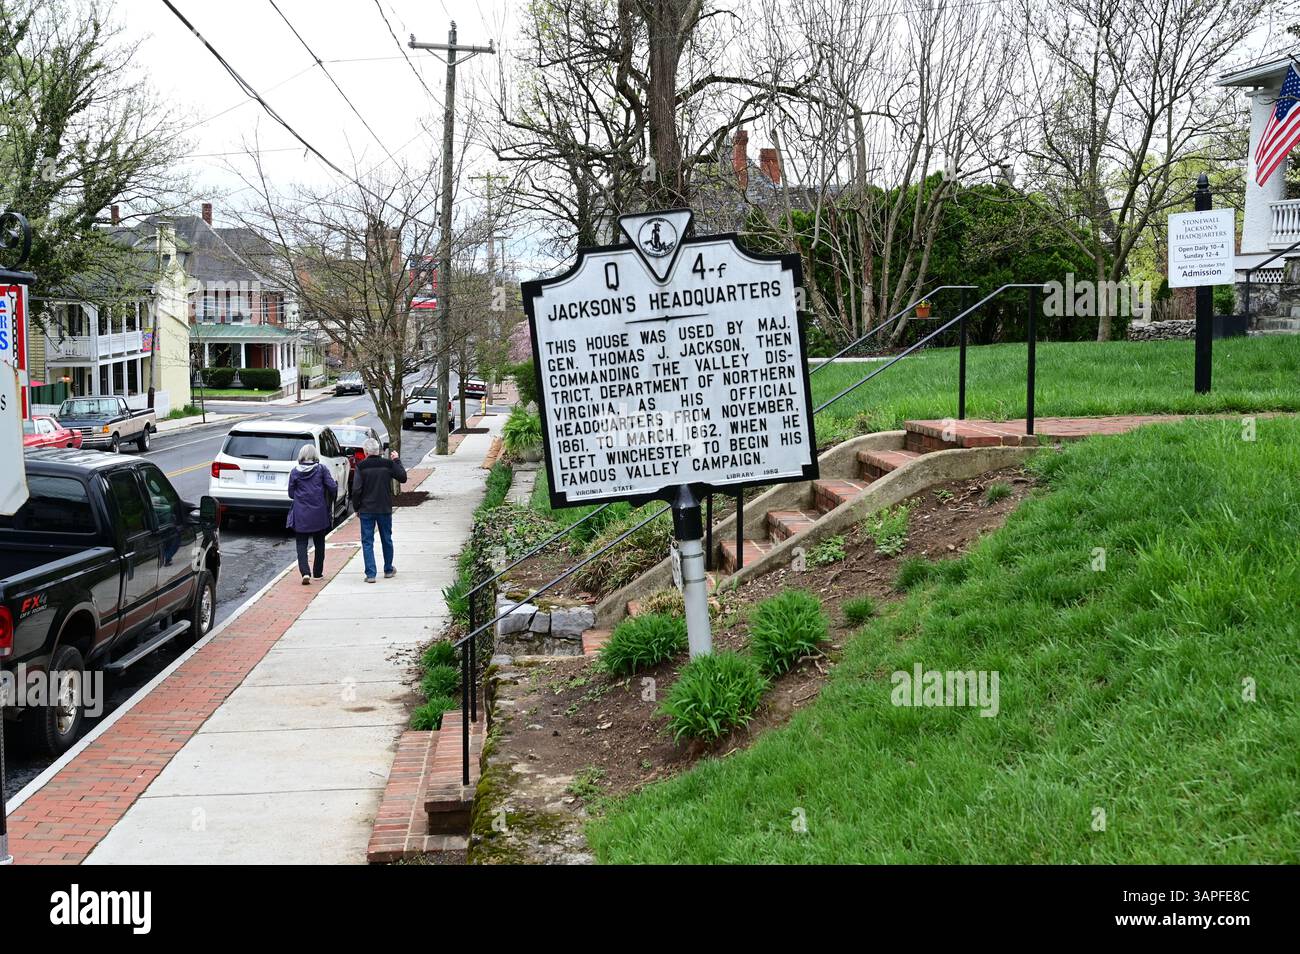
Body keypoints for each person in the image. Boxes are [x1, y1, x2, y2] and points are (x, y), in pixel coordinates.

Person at [351, 437, 407, 583]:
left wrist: (356, 507)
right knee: (386, 539)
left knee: (367, 541)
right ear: (379, 451)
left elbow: (356, 490)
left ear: (365, 452)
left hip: (367, 509)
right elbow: (403, 477)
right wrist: (396, 460)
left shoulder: (361, 467)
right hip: (384, 508)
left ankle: (370, 574)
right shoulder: (388, 464)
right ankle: (388, 569)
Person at [287, 443, 337, 585]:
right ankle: (317, 572)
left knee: (301, 543)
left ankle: (305, 572)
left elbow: (291, 494)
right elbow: (332, 487)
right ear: (315, 456)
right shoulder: (321, 469)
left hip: (301, 513)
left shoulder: (295, 472)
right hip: (319, 512)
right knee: (319, 542)